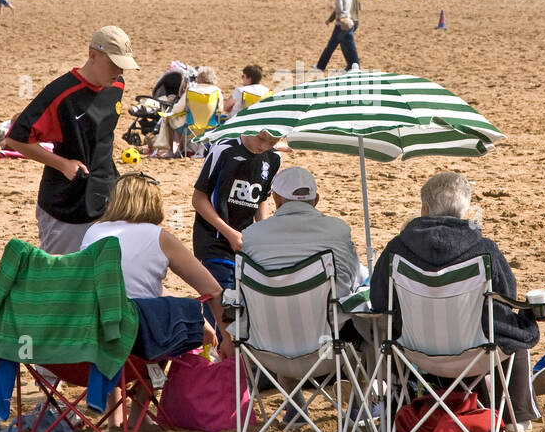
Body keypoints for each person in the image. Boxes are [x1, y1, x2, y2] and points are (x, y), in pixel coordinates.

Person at [369, 172, 541, 432]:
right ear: (465, 211)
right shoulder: (484, 249)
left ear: (425, 209)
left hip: (415, 352)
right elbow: (508, 295)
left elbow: (379, 301)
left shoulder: (397, 250)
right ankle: (516, 417)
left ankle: (401, 406)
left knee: (386, 327)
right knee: (514, 328)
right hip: (474, 352)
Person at [4, 26, 138, 254]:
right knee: (62, 278)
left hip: (108, 195)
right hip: (65, 202)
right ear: (92, 55)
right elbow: (17, 139)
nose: (118, 70)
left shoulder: (117, 86)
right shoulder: (61, 93)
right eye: (113, 63)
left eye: (123, 64)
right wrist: (62, 164)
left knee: (108, 274)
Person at [80, 172, 231, 357]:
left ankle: (126, 385)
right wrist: (227, 339)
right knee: (180, 313)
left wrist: (204, 323)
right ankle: (146, 383)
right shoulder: (158, 236)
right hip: (136, 341)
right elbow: (214, 291)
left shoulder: (94, 231)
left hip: (89, 333)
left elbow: (138, 285)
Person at [241, 166, 359, 299]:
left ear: (276, 199)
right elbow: (351, 277)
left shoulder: (251, 235)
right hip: (328, 317)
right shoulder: (339, 230)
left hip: (263, 317)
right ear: (316, 200)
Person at [190, 129, 281, 294]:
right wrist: (229, 233)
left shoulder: (274, 158)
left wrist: (263, 231)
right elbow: (198, 199)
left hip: (245, 244)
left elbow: (261, 199)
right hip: (214, 241)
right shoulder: (223, 149)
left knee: (243, 304)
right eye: (261, 139)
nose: (264, 146)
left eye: (272, 143)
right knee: (222, 304)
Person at [315, 0, 360, 72]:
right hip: (350, 22)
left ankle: (320, 66)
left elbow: (339, 9)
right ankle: (355, 65)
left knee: (330, 47)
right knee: (350, 45)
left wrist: (336, 17)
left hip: (341, 24)